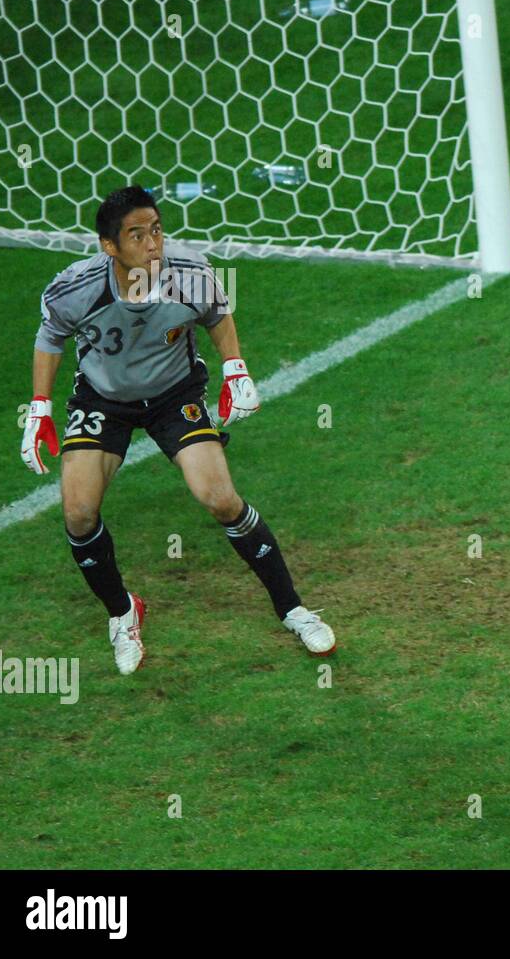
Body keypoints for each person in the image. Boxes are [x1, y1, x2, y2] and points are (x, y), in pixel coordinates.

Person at [20, 185, 336, 673]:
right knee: (79, 514)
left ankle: (293, 609)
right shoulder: (74, 288)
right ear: (110, 246)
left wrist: (236, 368)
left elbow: (217, 315)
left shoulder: (191, 273)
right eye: (137, 234)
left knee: (221, 499)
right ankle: (123, 613)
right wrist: (39, 408)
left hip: (174, 396)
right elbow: (51, 335)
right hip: (103, 399)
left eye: (157, 230)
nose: (153, 243)